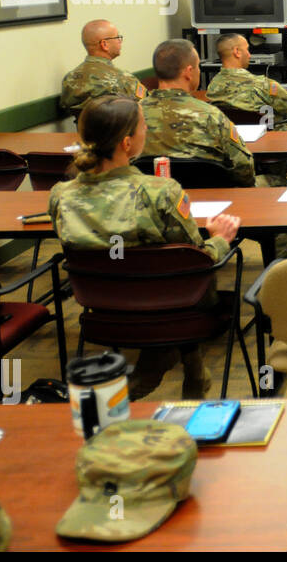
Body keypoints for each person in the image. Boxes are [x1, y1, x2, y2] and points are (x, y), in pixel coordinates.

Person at [48, 96, 241, 399]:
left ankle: (184, 370)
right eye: (143, 125)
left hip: (101, 309)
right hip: (172, 308)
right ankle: (178, 373)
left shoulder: (61, 195)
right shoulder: (161, 192)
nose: (147, 130)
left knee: (166, 280)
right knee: (188, 281)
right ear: (127, 143)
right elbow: (198, 258)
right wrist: (220, 237)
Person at [141, 39, 256, 187]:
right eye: (198, 67)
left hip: (147, 201)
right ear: (189, 72)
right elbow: (244, 169)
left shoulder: (132, 115)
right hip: (213, 201)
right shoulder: (211, 115)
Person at [60, 19, 145, 118]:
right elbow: (144, 107)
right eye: (117, 37)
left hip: (84, 132)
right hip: (119, 132)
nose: (119, 41)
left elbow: (65, 106)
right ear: (104, 44)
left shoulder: (70, 79)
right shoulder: (124, 79)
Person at [205, 32, 287, 123]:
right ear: (237, 52)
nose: (249, 55)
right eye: (247, 49)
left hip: (229, 135)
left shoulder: (212, 86)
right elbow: (286, 106)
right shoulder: (265, 84)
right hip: (267, 134)